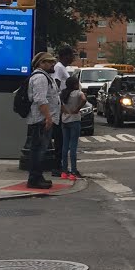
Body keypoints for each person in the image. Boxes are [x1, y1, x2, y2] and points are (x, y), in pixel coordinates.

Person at [26, 51, 61, 189]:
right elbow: (40, 99)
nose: (53, 64)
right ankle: (34, 179)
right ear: (41, 63)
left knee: (40, 149)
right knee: (38, 150)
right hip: (40, 120)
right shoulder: (40, 77)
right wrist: (48, 117)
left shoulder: (45, 76)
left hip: (43, 119)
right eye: (50, 62)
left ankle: (37, 177)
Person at [50, 45, 76, 177]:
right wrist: (61, 105)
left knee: (62, 138)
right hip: (60, 108)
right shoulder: (59, 67)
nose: (73, 58)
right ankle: (57, 167)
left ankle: (59, 165)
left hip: (63, 107)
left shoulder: (62, 67)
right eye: (72, 55)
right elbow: (56, 86)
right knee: (60, 138)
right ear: (65, 56)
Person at [58, 74, 86, 181]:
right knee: (73, 146)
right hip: (74, 120)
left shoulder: (62, 93)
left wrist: (64, 111)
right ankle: (73, 171)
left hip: (65, 120)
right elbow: (84, 99)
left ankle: (64, 171)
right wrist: (78, 108)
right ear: (75, 84)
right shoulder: (78, 93)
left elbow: (59, 104)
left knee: (65, 146)